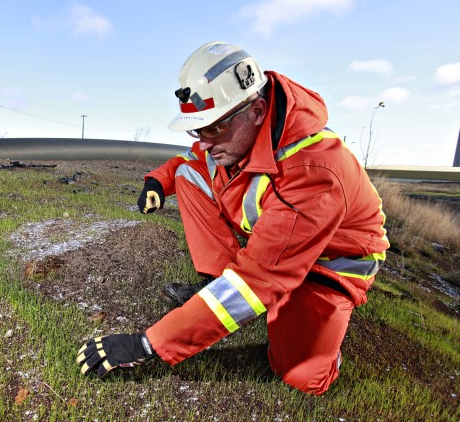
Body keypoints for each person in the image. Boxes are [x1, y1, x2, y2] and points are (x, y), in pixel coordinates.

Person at [76, 41, 389, 395]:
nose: (205, 143)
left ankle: (322, 346)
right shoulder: (237, 134)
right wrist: (158, 181)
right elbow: (191, 160)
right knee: (190, 177)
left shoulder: (314, 173)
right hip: (279, 245)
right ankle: (216, 283)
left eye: (212, 129)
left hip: (331, 264)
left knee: (301, 377)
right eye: (198, 130)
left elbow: (254, 282)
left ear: (256, 110)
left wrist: (148, 344)